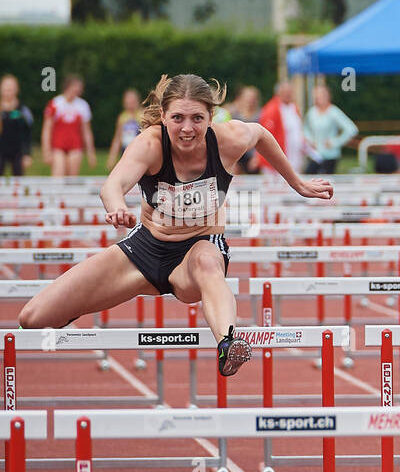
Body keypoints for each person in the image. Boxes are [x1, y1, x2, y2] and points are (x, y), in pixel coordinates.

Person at [18, 73, 333, 376]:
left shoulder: (228, 139)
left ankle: (228, 342)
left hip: (197, 250)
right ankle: (78, 305)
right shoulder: (150, 145)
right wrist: (117, 209)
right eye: (178, 118)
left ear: (211, 117)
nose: (187, 128)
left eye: (197, 118)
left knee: (209, 262)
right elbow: (112, 186)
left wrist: (298, 183)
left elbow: (262, 134)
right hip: (144, 251)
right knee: (32, 318)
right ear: (164, 117)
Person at [41, 75, 95, 177]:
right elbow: (47, 129)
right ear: (68, 86)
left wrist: (91, 153)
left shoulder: (82, 105)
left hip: (75, 146)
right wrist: (46, 150)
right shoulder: (55, 103)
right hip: (58, 146)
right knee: (58, 175)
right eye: (76, 86)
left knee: (72, 178)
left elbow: (86, 131)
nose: (78, 90)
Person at [303, 84, 358, 175]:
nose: (317, 98)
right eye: (315, 95)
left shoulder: (334, 112)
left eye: (319, 95)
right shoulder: (312, 112)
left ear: (327, 96)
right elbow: (305, 129)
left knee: (326, 180)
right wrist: (310, 140)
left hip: (330, 155)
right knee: (309, 175)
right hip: (316, 155)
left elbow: (351, 129)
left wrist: (335, 142)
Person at [257, 81, 304, 173]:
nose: (288, 95)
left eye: (290, 92)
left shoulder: (294, 107)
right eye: (285, 92)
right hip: (277, 162)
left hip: (293, 157)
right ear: (279, 93)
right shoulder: (271, 110)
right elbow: (266, 135)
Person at [0, 75, 35, 177]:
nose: (8, 91)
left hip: (18, 151)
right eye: (6, 88)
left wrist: (27, 154)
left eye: (11, 88)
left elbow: (28, 133)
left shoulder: (23, 110)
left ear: (16, 89)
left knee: (18, 179)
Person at [226, 86, 263, 174]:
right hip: (238, 153)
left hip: (254, 153)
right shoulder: (233, 114)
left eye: (252, 98)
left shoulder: (261, 115)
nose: (250, 101)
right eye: (247, 98)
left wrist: (258, 157)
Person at [106, 89, 143, 168]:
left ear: (137, 101)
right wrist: (112, 157)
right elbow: (117, 138)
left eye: (132, 101)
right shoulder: (122, 117)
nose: (129, 103)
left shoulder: (143, 115)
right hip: (125, 151)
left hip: (140, 151)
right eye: (127, 101)